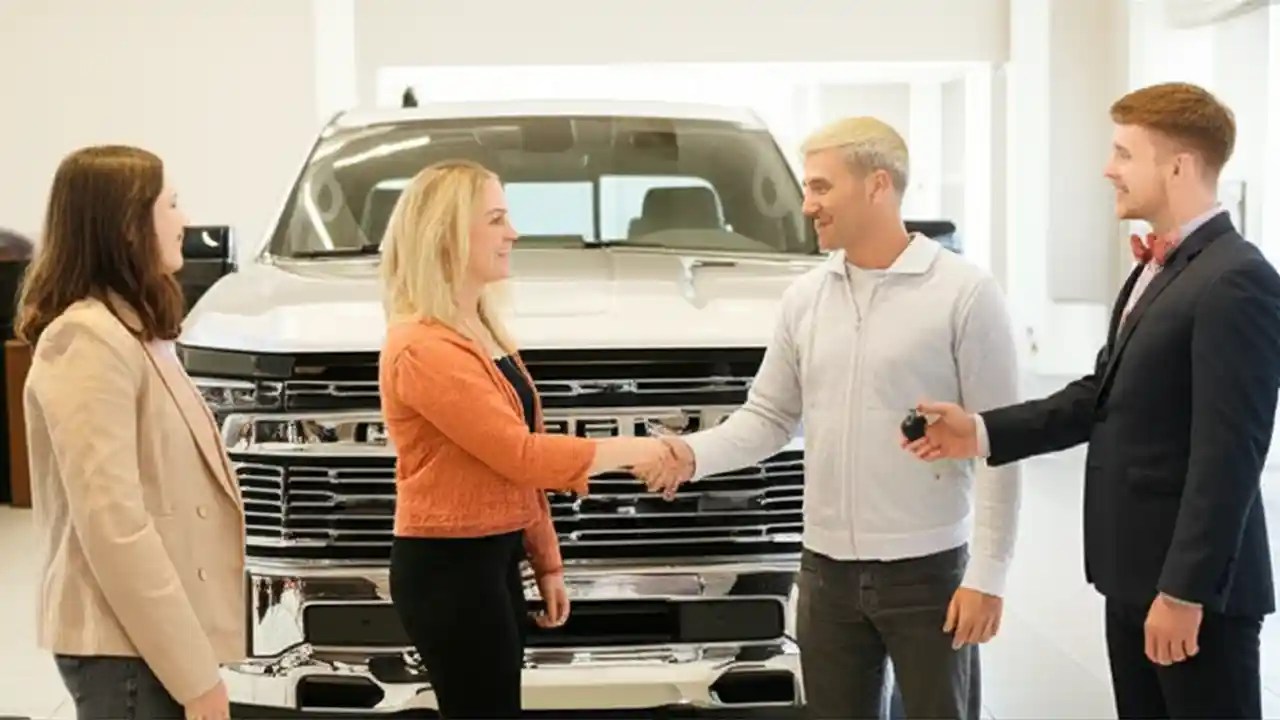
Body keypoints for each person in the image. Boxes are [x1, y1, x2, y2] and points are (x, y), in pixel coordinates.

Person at [903, 82, 1280, 719]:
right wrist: (981, 431)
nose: (1109, 169)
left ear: (1178, 166)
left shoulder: (1236, 281)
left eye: (1124, 153)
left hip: (1192, 594)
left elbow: (1230, 457)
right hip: (1134, 578)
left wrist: (1184, 592)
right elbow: (1098, 397)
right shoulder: (1153, 270)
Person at [640, 117, 1022, 719]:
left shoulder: (964, 293)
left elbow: (1002, 440)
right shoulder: (806, 298)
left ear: (877, 186)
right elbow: (769, 416)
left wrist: (989, 574)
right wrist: (693, 455)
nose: (806, 204)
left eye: (821, 187)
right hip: (825, 577)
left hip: (927, 574)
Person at [378, 158, 675, 719]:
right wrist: (638, 449)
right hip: (449, 572)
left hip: (489, 561)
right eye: (496, 219)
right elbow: (521, 456)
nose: (512, 233)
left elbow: (517, 454)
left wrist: (546, 562)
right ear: (446, 233)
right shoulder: (423, 347)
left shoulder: (479, 329)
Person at [19, 146, 242, 719]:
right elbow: (115, 528)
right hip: (128, 650)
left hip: (150, 644)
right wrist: (196, 680)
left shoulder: (133, 331)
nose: (185, 221)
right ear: (126, 225)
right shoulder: (87, 341)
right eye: (170, 204)